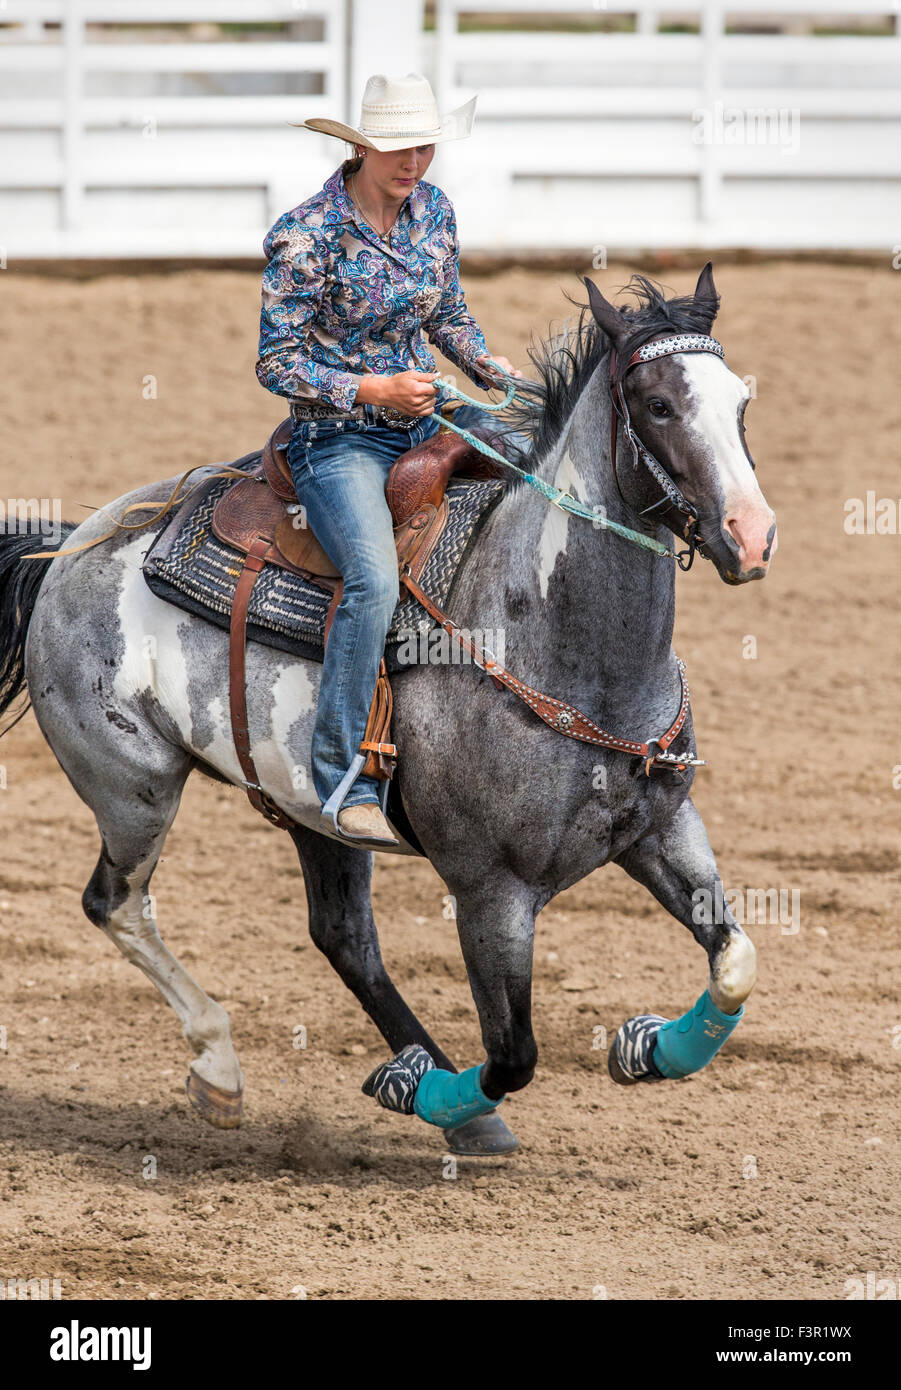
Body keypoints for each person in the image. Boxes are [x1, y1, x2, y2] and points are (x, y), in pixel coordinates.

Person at [256, 72, 523, 848]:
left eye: (425, 145)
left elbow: (446, 312)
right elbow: (278, 364)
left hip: (427, 412)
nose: (415, 161)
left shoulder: (434, 211)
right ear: (362, 148)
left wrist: (484, 365)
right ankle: (341, 778)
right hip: (335, 438)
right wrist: (370, 387)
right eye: (400, 148)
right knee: (372, 580)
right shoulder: (305, 234)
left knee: (543, 477)